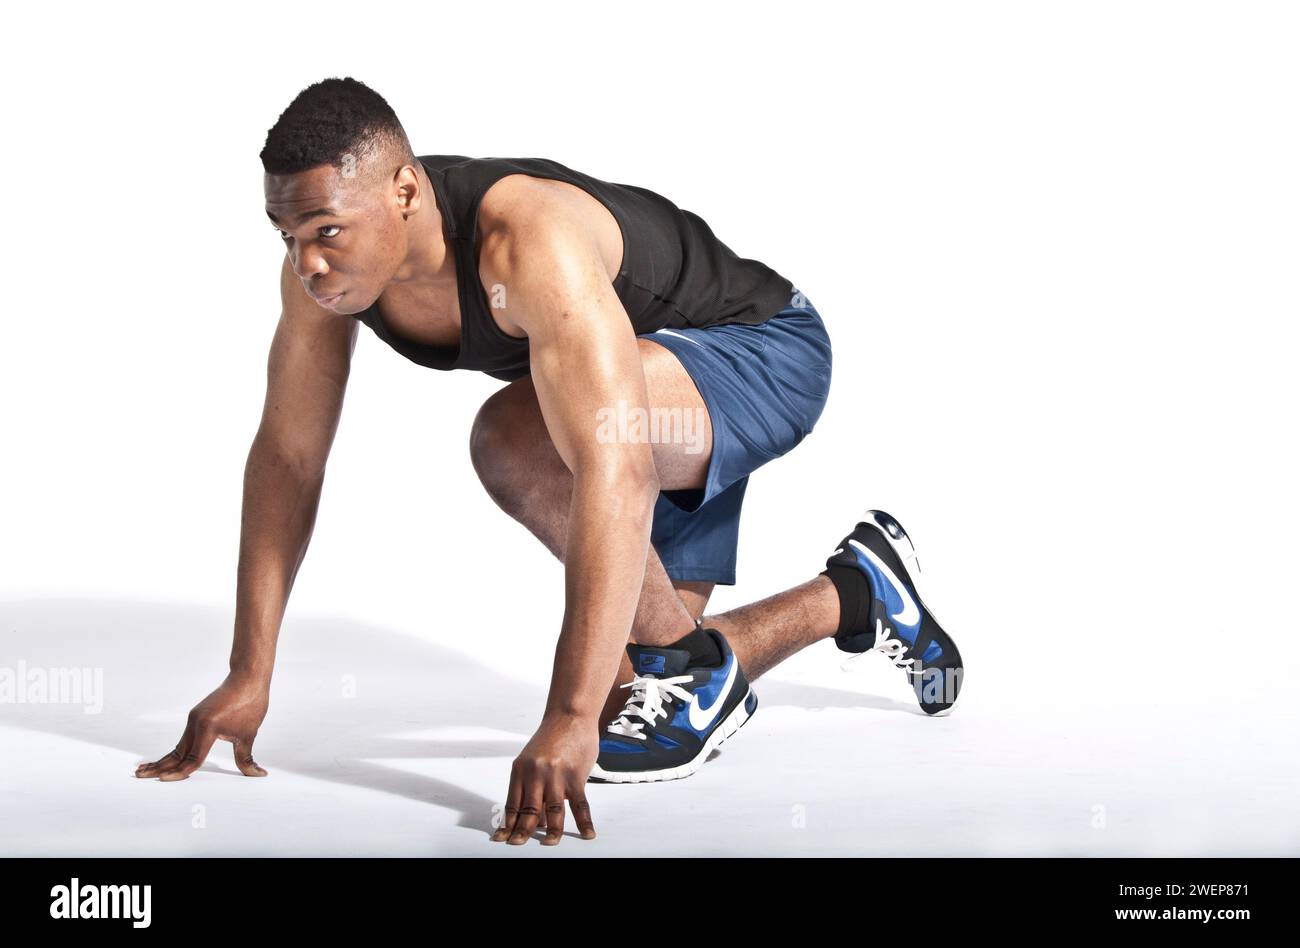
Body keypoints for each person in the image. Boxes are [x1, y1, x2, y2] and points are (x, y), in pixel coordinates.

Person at [133, 76, 964, 846]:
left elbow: (616, 468)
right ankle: (855, 590)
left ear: (405, 191)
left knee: (511, 439)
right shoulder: (321, 278)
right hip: (628, 380)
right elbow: (287, 457)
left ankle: (715, 661)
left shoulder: (529, 238)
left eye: (326, 232)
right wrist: (249, 669)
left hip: (756, 354)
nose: (308, 261)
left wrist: (564, 714)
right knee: (646, 686)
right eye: (286, 234)